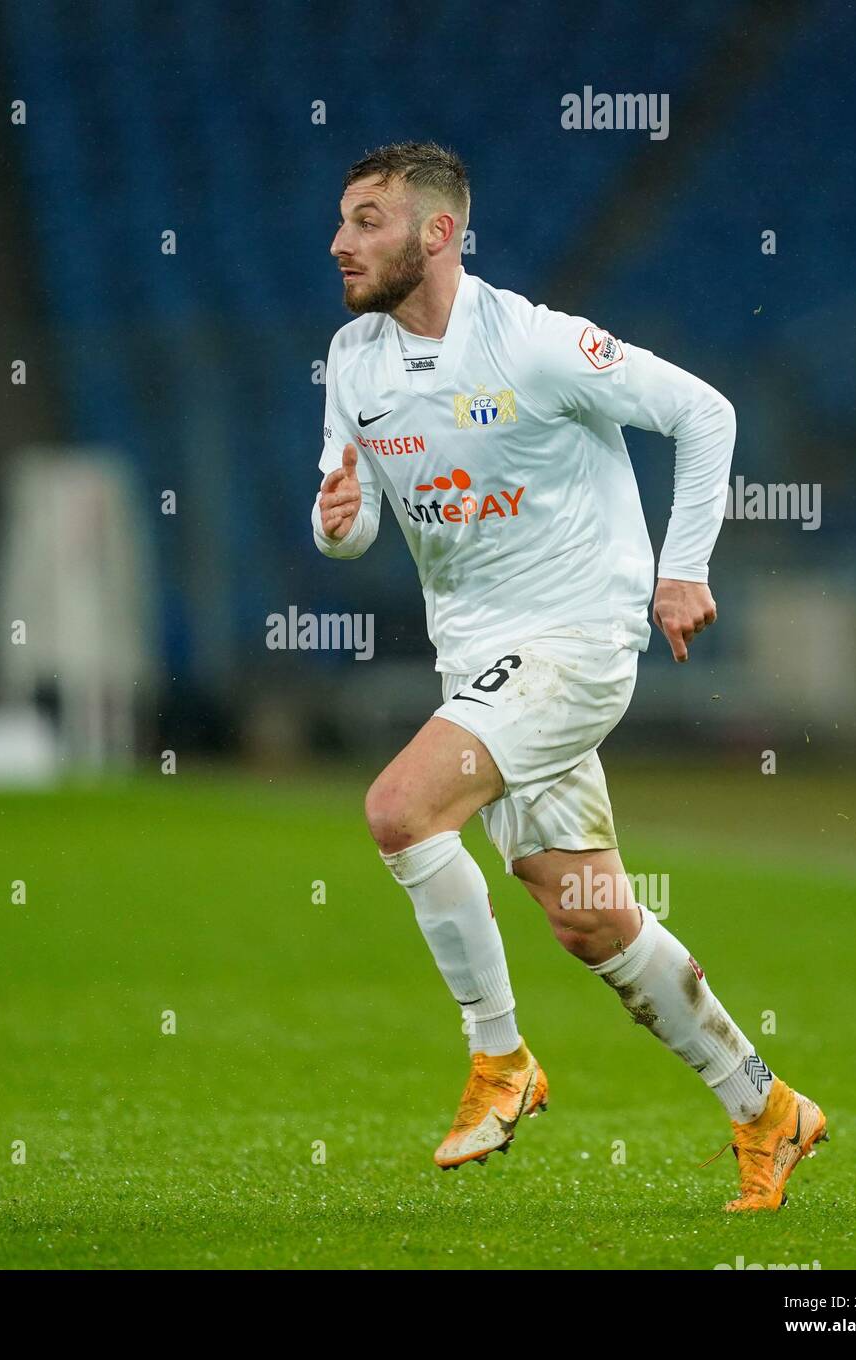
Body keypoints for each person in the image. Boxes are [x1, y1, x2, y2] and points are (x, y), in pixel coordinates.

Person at [312, 141, 827, 1211]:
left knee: (401, 811)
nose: (340, 242)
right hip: (482, 663)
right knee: (589, 914)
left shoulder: (536, 344)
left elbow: (705, 413)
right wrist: (340, 524)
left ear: (436, 232)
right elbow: (351, 522)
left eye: (366, 220)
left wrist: (680, 569)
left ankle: (500, 1059)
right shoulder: (353, 360)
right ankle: (767, 1108)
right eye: (343, 220)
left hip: (575, 642)